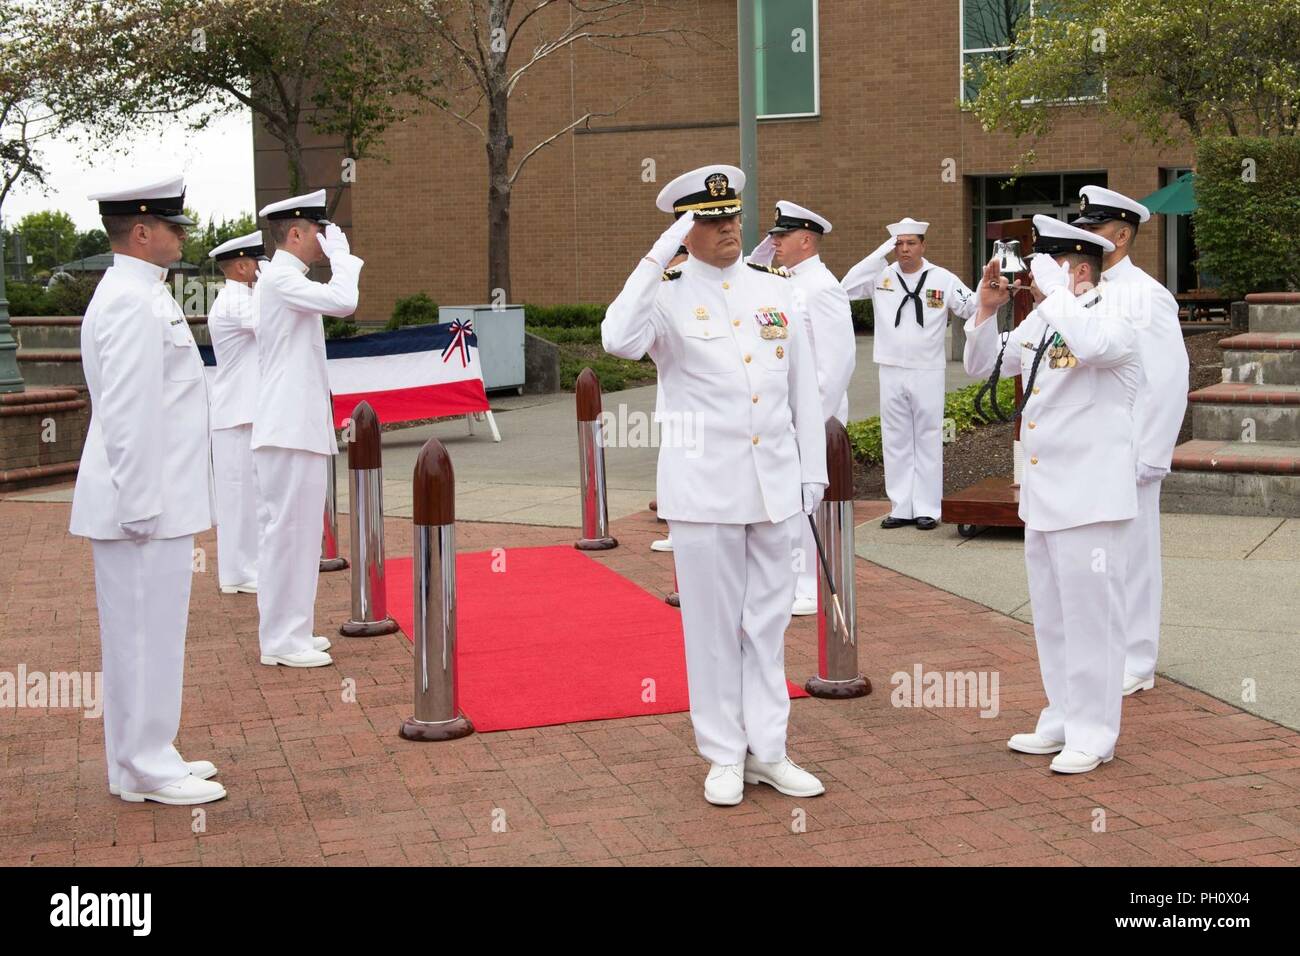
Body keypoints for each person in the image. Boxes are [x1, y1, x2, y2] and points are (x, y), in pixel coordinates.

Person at [602, 165, 828, 805]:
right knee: (711, 628)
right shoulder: (666, 291)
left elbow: (801, 390)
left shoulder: (774, 288)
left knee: (769, 625)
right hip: (704, 490)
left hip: (774, 486)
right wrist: (656, 257)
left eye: (731, 215)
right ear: (684, 228)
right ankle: (724, 755)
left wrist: (813, 469)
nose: (728, 227)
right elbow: (616, 338)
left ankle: (769, 751)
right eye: (709, 219)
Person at [964, 215, 1140, 774]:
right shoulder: (1050, 315)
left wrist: (1055, 297)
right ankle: (1063, 716)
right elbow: (984, 366)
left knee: (1092, 619)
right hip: (1044, 495)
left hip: (1089, 496)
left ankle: (1095, 733)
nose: (1038, 277)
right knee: (1054, 617)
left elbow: (1089, 345)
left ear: (1079, 268)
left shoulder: (1115, 314)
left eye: (1053, 263)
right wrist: (987, 310)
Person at [70, 173, 226, 805]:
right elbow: (130, 413)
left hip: (153, 498)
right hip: (143, 503)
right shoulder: (131, 301)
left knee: (148, 635)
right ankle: (145, 762)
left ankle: (139, 759)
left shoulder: (137, 293)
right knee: (145, 636)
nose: (180, 236)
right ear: (141, 231)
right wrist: (140, 506)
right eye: (172, 226)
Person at [1074, 186, 1189, 697]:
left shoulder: (1145, 294)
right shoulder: (1081, 289)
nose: (1083, 239)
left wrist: (1151, 453)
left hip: (1129, 449)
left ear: (1121, 235)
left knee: (1135, 555)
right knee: (1095, 555)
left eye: (1093, 230)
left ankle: (1138, 657)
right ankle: (1105, 650)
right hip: (1087, 447)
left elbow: (1168, 379)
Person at [252, 189, 362, 667]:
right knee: (287, 534)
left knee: (299, 536)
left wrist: (337, 254)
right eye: (317, 231)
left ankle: (294, 629)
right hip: (287, 427)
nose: (323, 239)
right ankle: (280, 639)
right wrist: (346, 259)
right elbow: (344, 302)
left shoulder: (286, 279)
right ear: (294, 233)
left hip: (297, 425)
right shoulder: (279, 278)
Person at [841, 218, 977, 529]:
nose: (904, 249)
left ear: (923, 245)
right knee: (895, 439)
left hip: (927, 368)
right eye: (898, 244)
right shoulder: (881, 276)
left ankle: (928, 507)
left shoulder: (941, 278)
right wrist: (878, 255)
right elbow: (845, 288)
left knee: (927, 437)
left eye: (910, 243)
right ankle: (901, 505)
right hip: (890, 368)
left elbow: (970, 306)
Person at [763, 201, 855, 615]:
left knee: (809, 502)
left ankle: (809, 585)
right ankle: (791, 577)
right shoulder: (782, 282)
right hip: (787, 412)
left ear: (805, 240)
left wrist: (811, 418)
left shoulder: (823, 286)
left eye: (782, 237)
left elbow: (837, 363)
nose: (774, 243)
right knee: (790, 499)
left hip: (816, 413)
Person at [207, 231, 268, 595]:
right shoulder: (236, 302)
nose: (263, 269)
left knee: (249, 494)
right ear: (243, 265)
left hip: (243, 410)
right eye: (259, 262)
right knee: (239, 496)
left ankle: (245, 568)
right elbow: (275, 320)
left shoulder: (243, 298)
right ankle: (238, 572)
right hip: (236, 412)